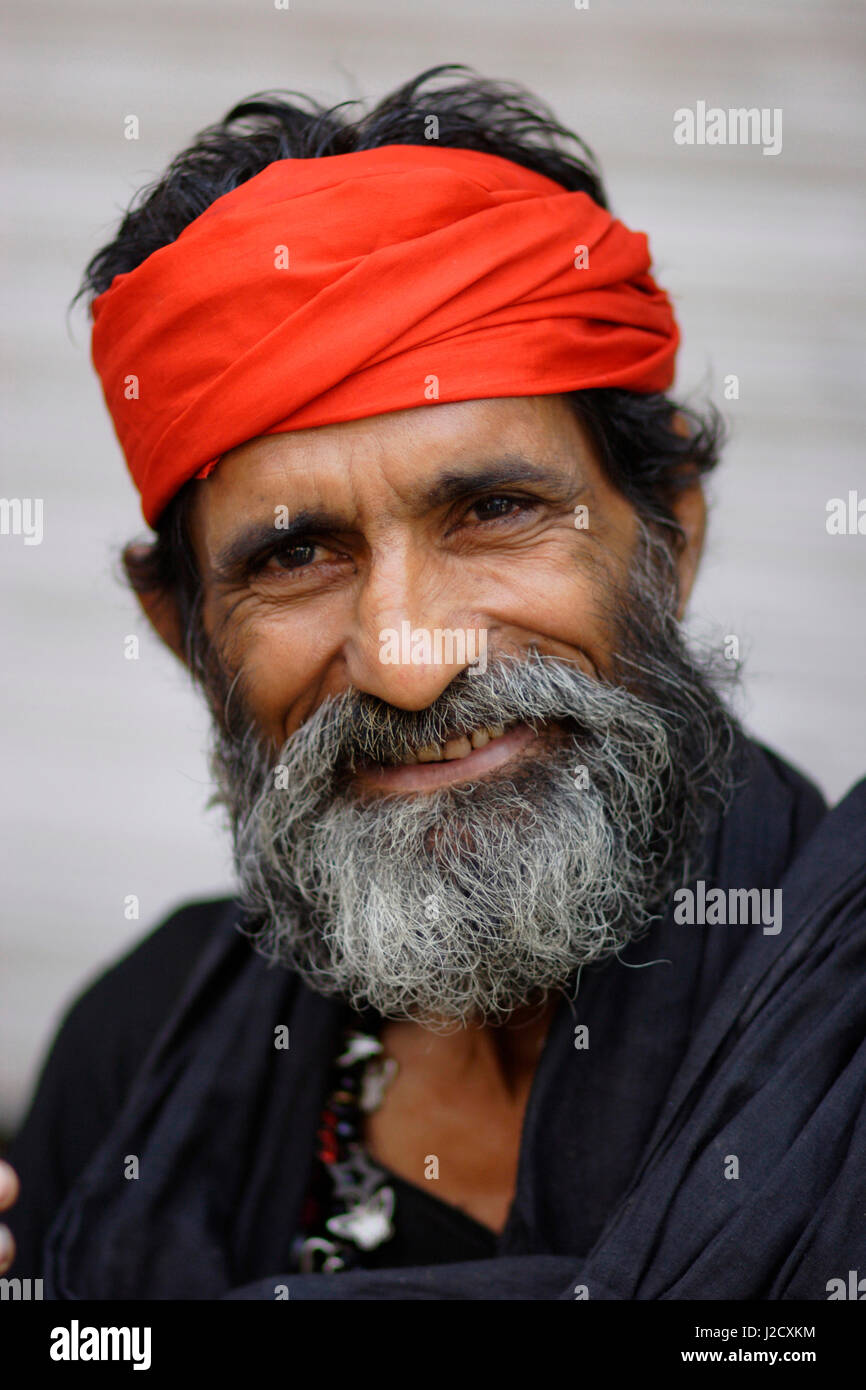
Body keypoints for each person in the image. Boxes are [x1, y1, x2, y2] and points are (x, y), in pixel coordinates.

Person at [2, 65, 864, 1301]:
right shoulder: (138, 1054)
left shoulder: (835, 1044)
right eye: (294, 554)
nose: (408, 662)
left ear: (668, 539)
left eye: (495, 511)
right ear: (187, 634)